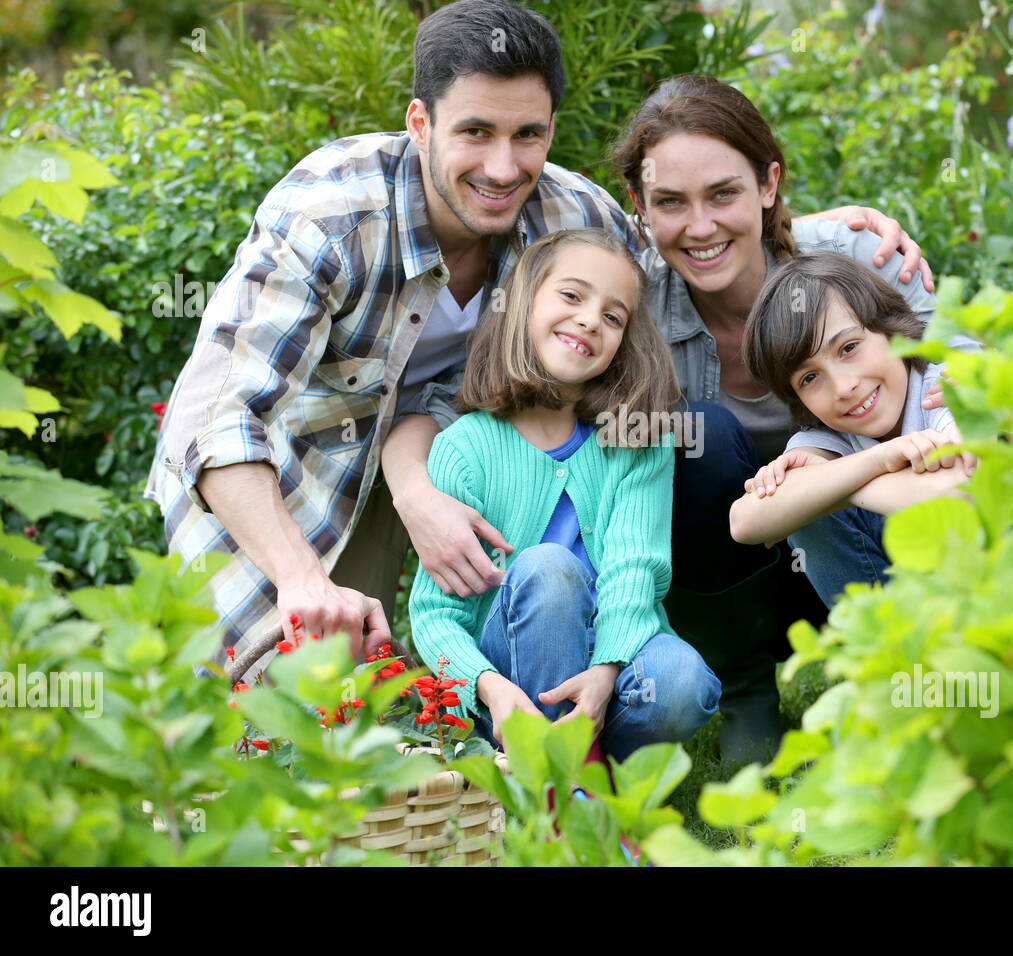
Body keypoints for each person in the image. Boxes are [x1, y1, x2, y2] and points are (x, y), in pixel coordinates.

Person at [144, 0, 924, 681]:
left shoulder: (569, 218)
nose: (503, 166)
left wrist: (831, 237)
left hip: (478, 476)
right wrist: (301, 577)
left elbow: (693, 244)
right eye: (475, 132)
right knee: (278, 720)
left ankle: (582, 714)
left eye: (528, 135)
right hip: (301, 477)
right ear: (421, 122)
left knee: (398, 717)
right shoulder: (330, 215)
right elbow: (213, 415)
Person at [610, 74, 939, 761]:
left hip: (877, 535)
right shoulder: (629, 306)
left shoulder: (856, 259)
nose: (700, 227)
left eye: (724, 193)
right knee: (695, 435)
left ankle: (906, 660)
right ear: (639, 206)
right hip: (733, 556)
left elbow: (951, 382)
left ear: (768, 184)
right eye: (670, 202)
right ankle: (744, 690)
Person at [407, 228, 720, 759]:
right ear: (524, 303)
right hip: (511, 689)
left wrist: (605, 671)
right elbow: (437, 615)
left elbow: (633, 567)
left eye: (613, 316)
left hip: (611, 660)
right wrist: (490, 687)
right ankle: (554, 782)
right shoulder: (465, 447)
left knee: (682, 680)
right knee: (549, 568)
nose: (589, 320)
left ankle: (590, 764)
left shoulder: (637, 438)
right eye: (572, 296)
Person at [730, 250, 1013, 607]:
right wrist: (878, 460)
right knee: (810, 518)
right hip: (962, 615)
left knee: (812, 499)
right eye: (809, 378)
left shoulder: (950, 387)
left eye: (849, 347)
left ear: (890, 330)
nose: (843, 387)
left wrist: (841, 488)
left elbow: (958, 492)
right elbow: (745, 521)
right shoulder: (824, 438)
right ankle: (893, 652)